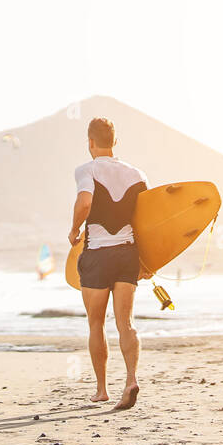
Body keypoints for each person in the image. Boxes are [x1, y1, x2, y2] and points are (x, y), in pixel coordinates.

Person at [68, 117, 149, 411]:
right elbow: (148, 219)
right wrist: (148, 259)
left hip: (98, 255)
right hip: (128, 253)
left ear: (90, 142)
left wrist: (74, 228)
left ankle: (101, 389)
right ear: (115, 142)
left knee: (96, 322)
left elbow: (85, 203)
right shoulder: (137, 173)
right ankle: (130, 380)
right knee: (126, 322)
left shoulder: (86, 169)